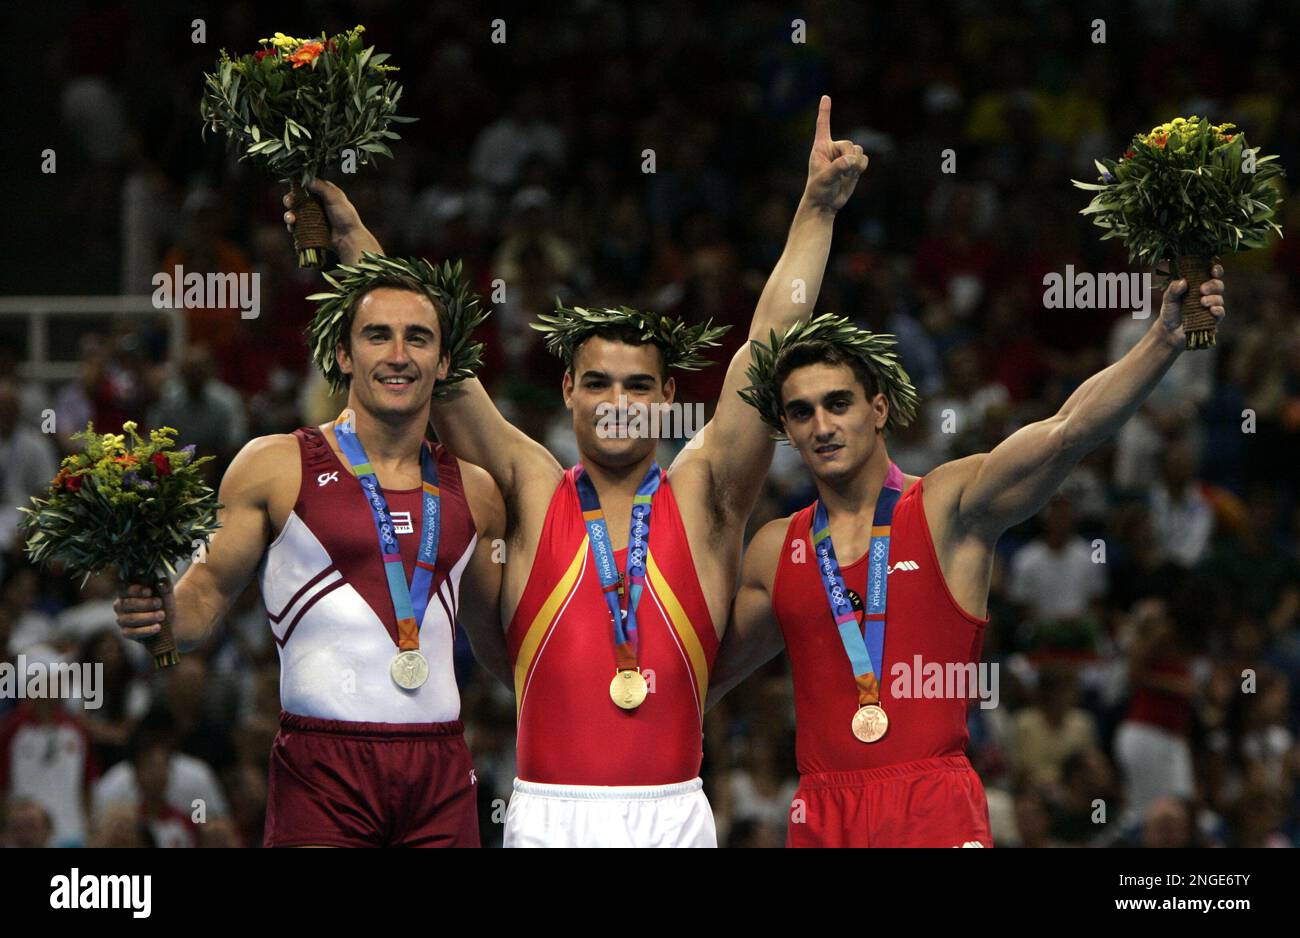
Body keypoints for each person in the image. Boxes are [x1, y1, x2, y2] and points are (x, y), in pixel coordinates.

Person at [296, 95, 869, 846]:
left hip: (673, 813)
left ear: (668, 396)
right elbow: (441, 366)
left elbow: (769, 336)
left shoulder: (707, 493)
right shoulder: (529, 486)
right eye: (597, 383)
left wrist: (816, 211)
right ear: (568, 390)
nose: (617, 402)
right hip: (545, 815)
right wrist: (350, 236)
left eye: (637, 385)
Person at [710, 260, 1227, 847]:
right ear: (786, 428)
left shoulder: (947, 506)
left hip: (933, 805)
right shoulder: (775, 549)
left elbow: (1067, 430)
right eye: (800, 412)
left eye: (838, 403)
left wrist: (1160, 340)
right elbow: (704, 681)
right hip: (823, 816)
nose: (821, 425)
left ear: (878, 410)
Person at [114, 249, 509, 847]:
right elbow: (205, 594)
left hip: (442, 770)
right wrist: (163, 614)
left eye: (418, 338)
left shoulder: (476, 492)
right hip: (324, 769)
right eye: (378, 336)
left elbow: (498, 641)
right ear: (345, 354)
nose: (398, 355)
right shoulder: (275, 465)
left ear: (444, 360)